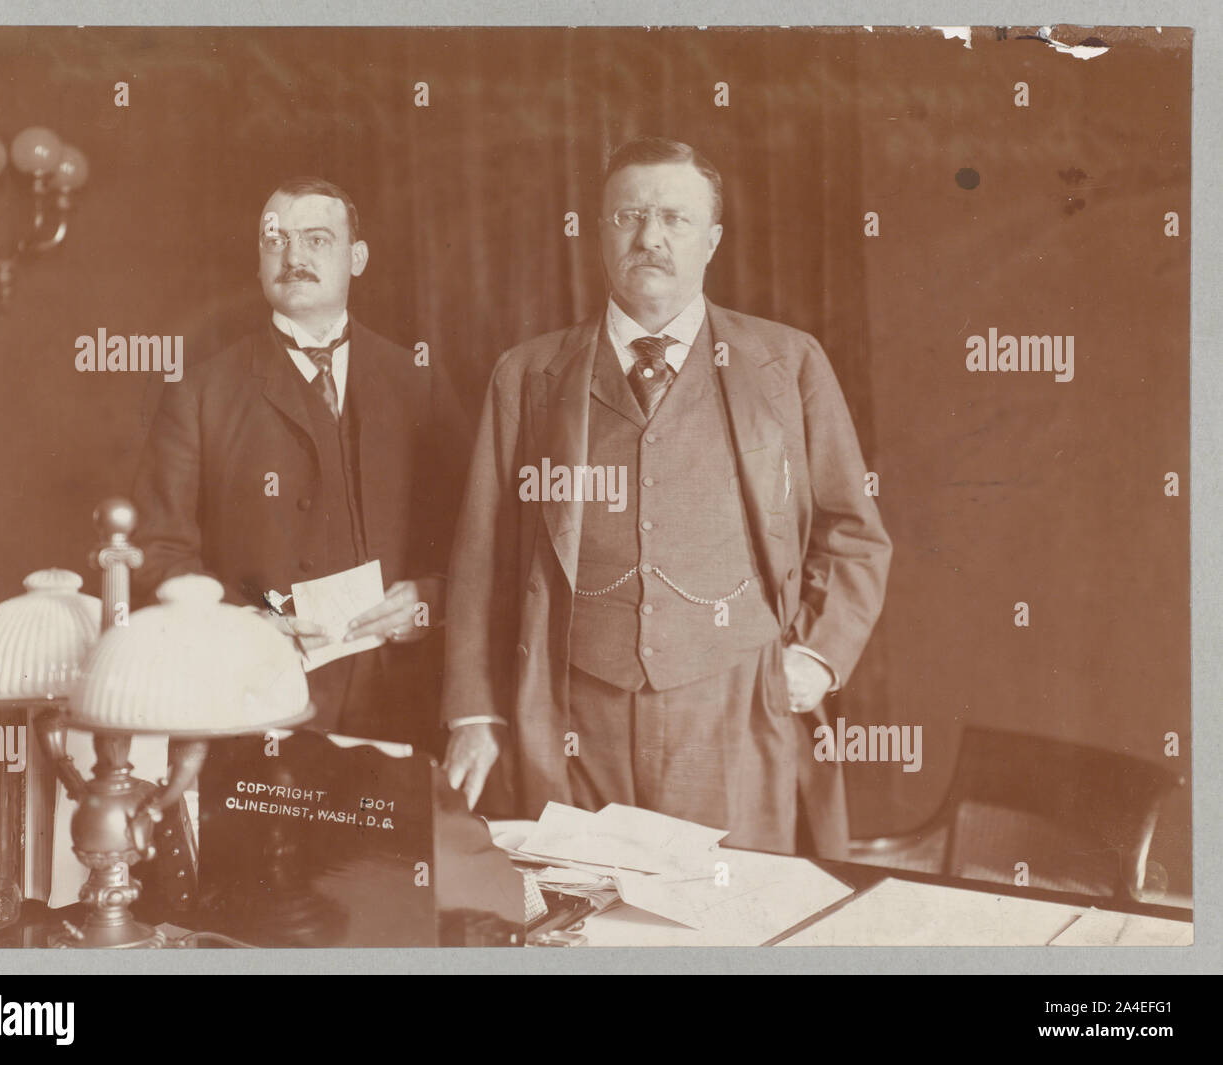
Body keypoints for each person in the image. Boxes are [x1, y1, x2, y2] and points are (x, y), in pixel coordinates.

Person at [440, 137, 891, 855]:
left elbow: (852, 533)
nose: (649, 237)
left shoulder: (788, 363)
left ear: (711, 240)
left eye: (675, 220)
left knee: (727, 922)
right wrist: (472, 711)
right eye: (628, 217)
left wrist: (817, 654)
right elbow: (479, 558)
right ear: (598, 234)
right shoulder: (526, 376)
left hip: (737, 709)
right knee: (581, 915)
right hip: (568, 707)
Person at [131, 176, 450, 746]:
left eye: (317, 240)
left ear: (357, 257)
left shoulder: (418, 382)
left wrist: (429, 599)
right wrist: (244, 628)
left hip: (405, 700)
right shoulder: (200, 392)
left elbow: (474, 541)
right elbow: (158, 553)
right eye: (275, 240)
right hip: (257, 699)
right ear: (258, 260)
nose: (293, 256)